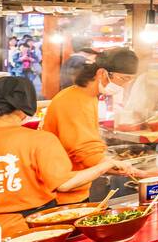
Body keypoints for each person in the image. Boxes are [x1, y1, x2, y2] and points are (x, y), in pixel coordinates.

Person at [0, 77, 117, 236]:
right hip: (28, 234)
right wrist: (105, 165)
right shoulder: (40, 140)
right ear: (24, 110)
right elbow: (65, 184)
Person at [41, 48, 144, 204]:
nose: (125, 86)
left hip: (75, 188)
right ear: (102, 73)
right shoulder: (74, 101)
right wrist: (141, 174)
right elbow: (86, 153)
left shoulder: (86, 97)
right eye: (124, 79)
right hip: (62, 195)